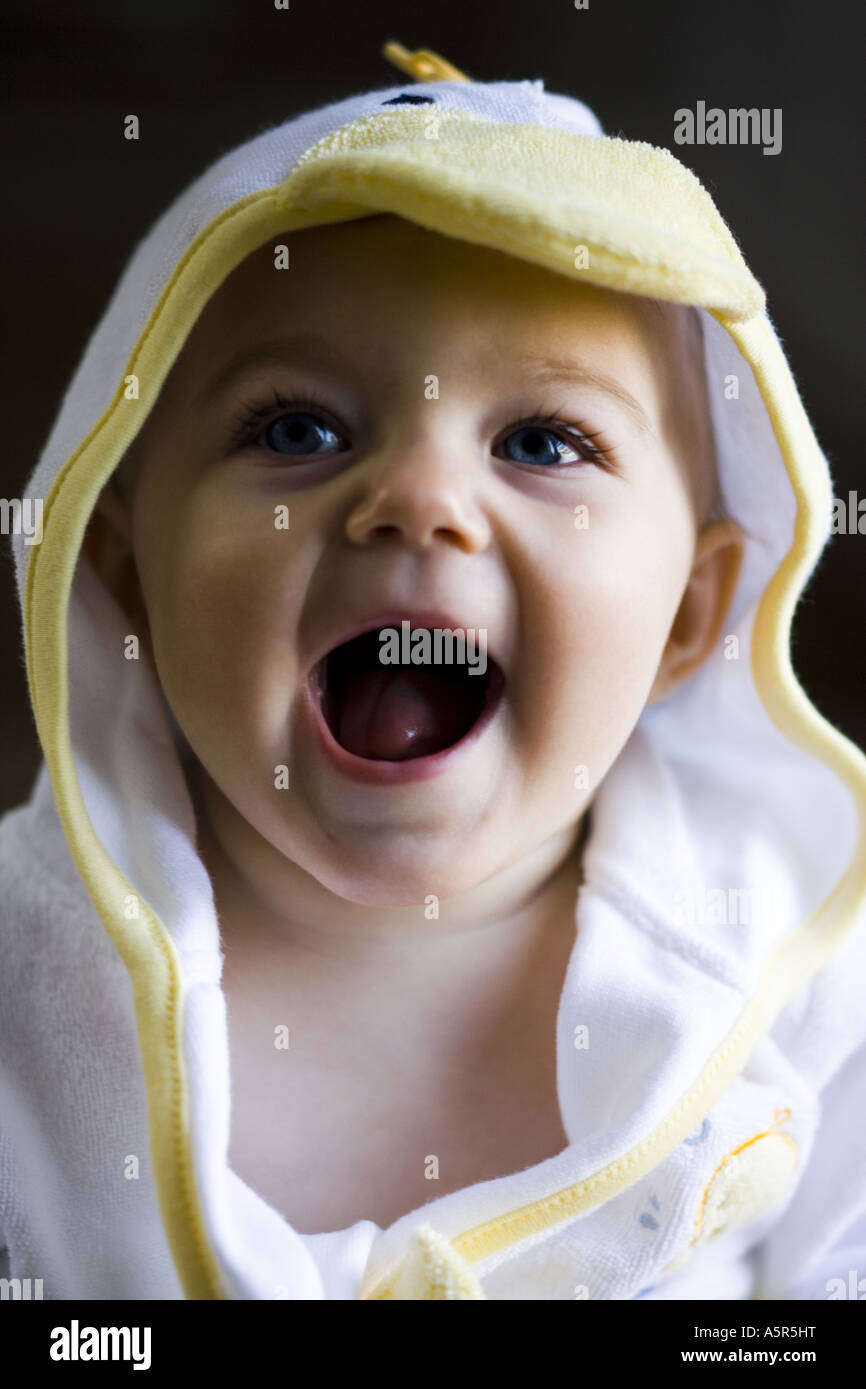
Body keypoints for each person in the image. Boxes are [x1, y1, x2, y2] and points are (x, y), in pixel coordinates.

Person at [2, 42, 865, 1301]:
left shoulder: (799, 981)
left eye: (539, 440)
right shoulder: (26, 995)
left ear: (690, 614)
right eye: (297, 429)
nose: (415, 499)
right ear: (126, 571)